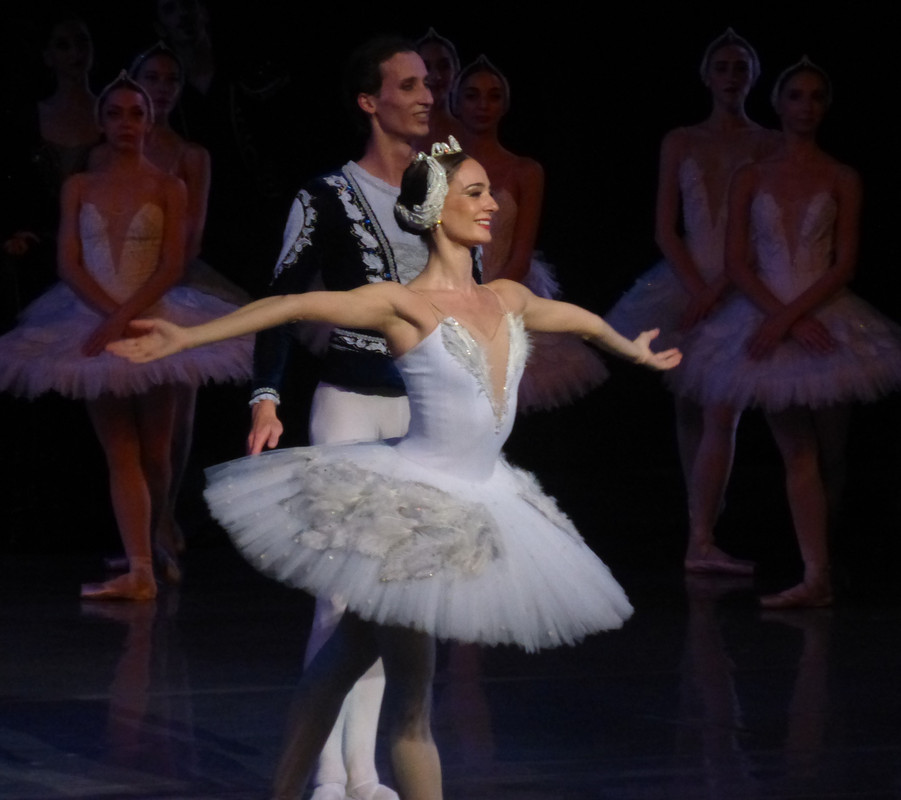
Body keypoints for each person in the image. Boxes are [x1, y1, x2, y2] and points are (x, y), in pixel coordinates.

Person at [110, 138, 681, 800]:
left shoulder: (507, 297)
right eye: (475, 193)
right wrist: (188, 335)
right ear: (435, 209)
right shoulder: (402, 304)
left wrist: (631, 348)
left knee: (347, 655)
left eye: (490, 192)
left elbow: (575, 318)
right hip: (412, 516)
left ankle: (285, 789)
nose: (493, 204)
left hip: (483, 500)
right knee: (411, 703)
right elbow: (293, 306)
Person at [248, 36, 433, 800]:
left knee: (395, 597)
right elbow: (282, 298)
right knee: (341, 593)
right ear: (369, 100)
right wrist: (266, 394)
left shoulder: (440, 191)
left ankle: (366, 771)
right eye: (408, 84)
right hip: (349, 409)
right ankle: (327, 772)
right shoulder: (325, 194)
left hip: (421, 413)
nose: (426, 96)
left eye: (427, 83)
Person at [0, 74, 252, 600]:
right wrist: (109, 317)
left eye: (136, 114)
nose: (125, 124)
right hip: (92, 321)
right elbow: (68, 263)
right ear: (100, 122)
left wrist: (127, 317)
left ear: (150, 121)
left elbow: (171, 265)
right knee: (120, 449)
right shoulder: (79, 186)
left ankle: (155, 542)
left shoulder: (169, 186)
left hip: (153, 322)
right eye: (114, 114)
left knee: (156, 452)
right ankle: (138, 569)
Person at [669, 59, 901, 608]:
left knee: (821, 451)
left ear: (826, 106)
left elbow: (844, 263)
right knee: (797, 446)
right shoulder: (751, 176)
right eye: (796, 96)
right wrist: (778, 318)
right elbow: (737, 261)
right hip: (765, 318)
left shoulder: (842, 176)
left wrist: (794, 317)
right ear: (778, 103)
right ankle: (813, 574)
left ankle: (822, 568)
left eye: (816, 97)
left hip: (822, 316)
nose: (806, 106)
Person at [605, 29, 778, 575]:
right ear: (706, 76)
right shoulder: (680, 140)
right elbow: (665, 227)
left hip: (743, 284)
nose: (731, 76)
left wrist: (721, 289)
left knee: (723, 407)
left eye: (741, 67)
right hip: (685, 281)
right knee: (688, 405)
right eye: (722, 66)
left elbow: (764, 230)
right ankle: (699, 523)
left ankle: (702, 535)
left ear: (754, 76)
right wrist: (697, 289)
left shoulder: (770, 143)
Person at [453, 54, 608, 412]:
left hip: (501, 296)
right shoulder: (433, 167)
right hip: (444, 296)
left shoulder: (525, 171)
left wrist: (484, 305)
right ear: (456, 103)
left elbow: (520, 255)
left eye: (493, 96)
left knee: (493, 409)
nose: (482, 105)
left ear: (505, 105)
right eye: (472, 95)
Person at [415, 28, 463, 144]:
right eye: (426, 67)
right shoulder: (401, 134)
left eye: (444, 66)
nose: (436, 76)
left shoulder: (470, 133)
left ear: (456, 72)